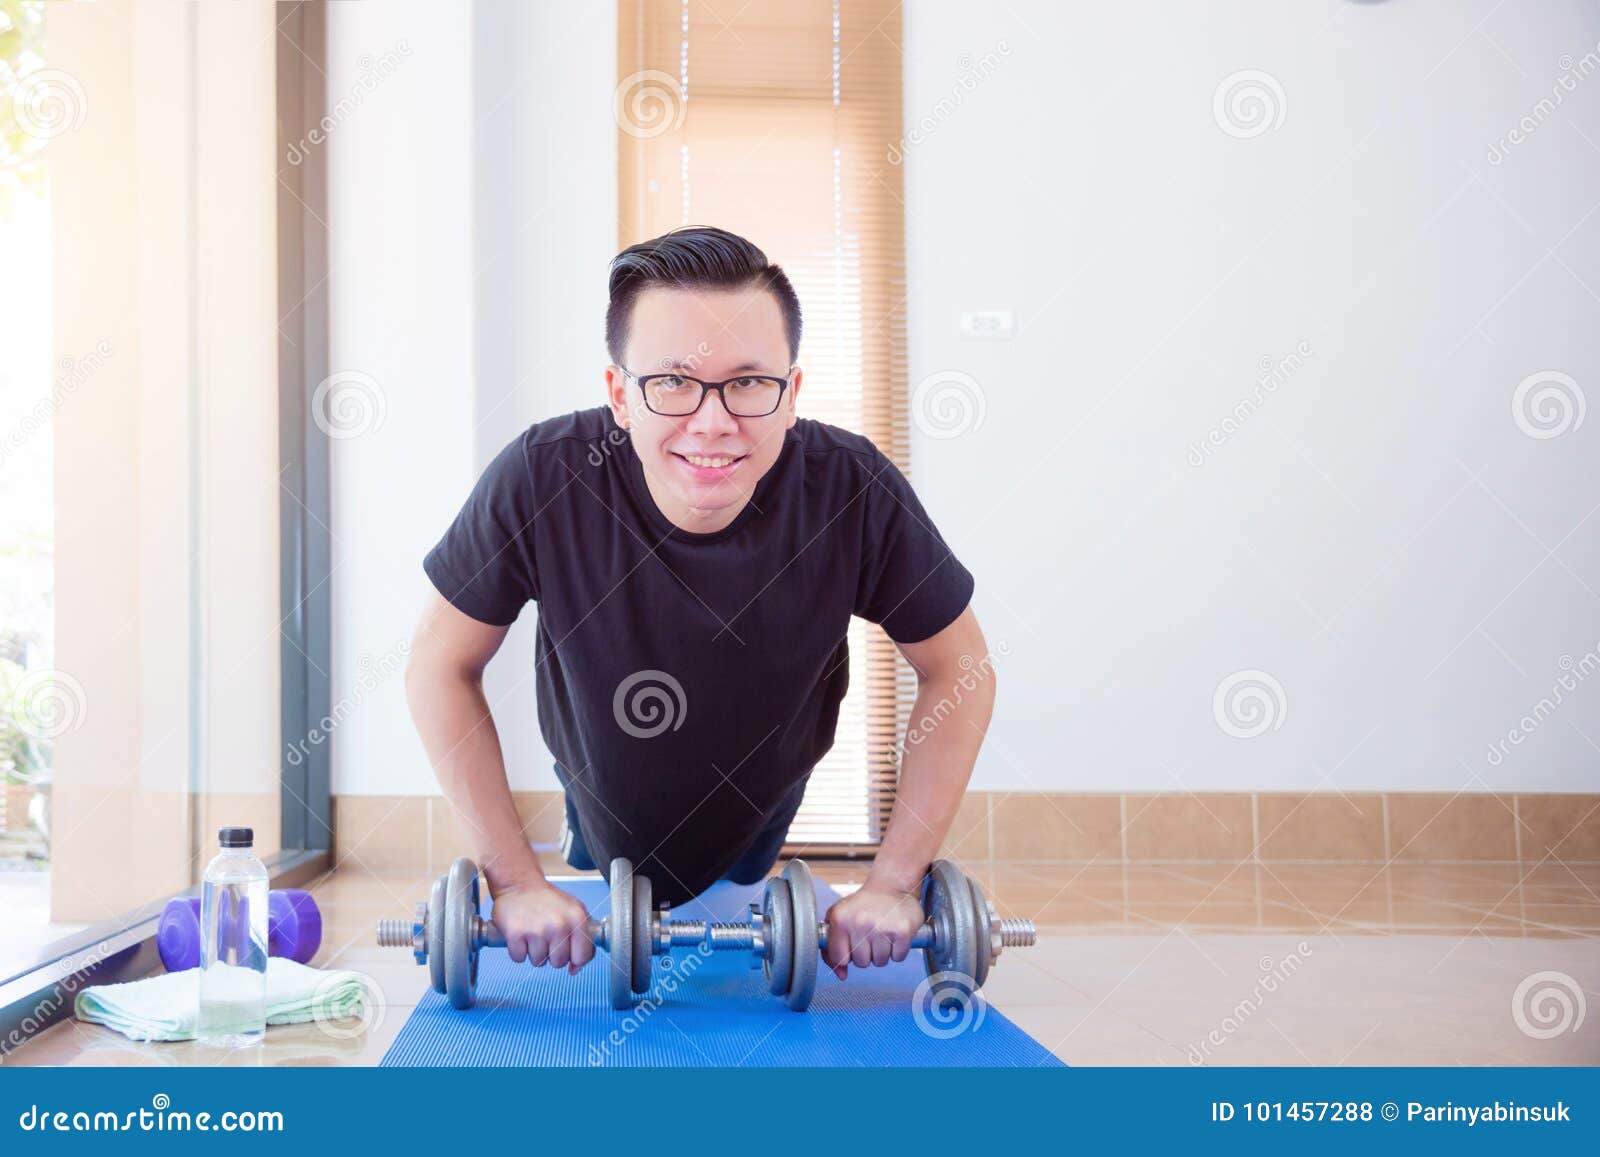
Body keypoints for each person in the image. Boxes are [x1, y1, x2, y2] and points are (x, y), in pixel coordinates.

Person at [405, 225, 994, 983]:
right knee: (616, 871)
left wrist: (893, 882)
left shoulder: (851, 487)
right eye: (673, 382)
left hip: (762, 806)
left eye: (749, 383)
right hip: (600, 794)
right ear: (621, 394)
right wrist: (516, 881)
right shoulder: (543, 475)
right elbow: (436, 665)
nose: (712, 422)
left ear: (792, 394)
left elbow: (961, 668)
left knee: (738, 905)